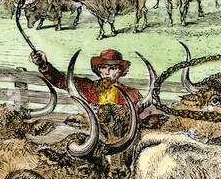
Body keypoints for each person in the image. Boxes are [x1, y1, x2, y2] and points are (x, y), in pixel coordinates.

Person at [29, 48, 162, 127]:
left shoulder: (131, 94)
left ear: (120, 71)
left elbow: (143, 117)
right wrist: (43, 64)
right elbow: (60, 81)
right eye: (103, 68)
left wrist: (147, 120)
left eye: (113, 68)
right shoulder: (87, 87)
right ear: (98, 70)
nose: (108, 72)